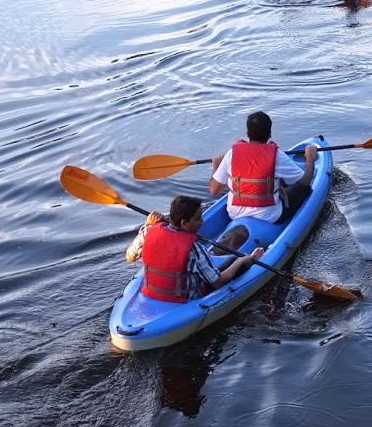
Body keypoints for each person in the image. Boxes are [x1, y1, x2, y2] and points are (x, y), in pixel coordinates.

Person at [127, 194, 265, 303]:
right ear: (184, 223)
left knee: (233, 260)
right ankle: (248, 261)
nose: (202, 222)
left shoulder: (149, 231)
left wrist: (147, 224)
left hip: (152, 292)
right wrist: (242, 261)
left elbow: (130, 257)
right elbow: (218, 282)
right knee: (236, 259)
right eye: (198, 219)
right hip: (186, 298)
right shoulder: (194, 248)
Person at [211, 110, 317, 224]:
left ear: (247, 133)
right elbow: (305, 181)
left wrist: (216, 168)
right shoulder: (277, 156)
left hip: (234, 214)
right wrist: (309, 158)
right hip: (269, 216)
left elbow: (214, 190)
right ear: (269, 134)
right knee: (304, 188)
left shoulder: (231, 154)